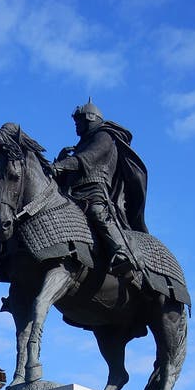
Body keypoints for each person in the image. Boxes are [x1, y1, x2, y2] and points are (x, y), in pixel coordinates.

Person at [52, 100, 149, 277]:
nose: (76, 126)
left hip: (94, 191)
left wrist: (61, 165)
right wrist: (59, 162)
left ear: (90, 119)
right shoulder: (80, 145)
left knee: (97, 212)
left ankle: (122, 252)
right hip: (73, 194)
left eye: (79, 122)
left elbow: (87, 159)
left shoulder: (104, 136)